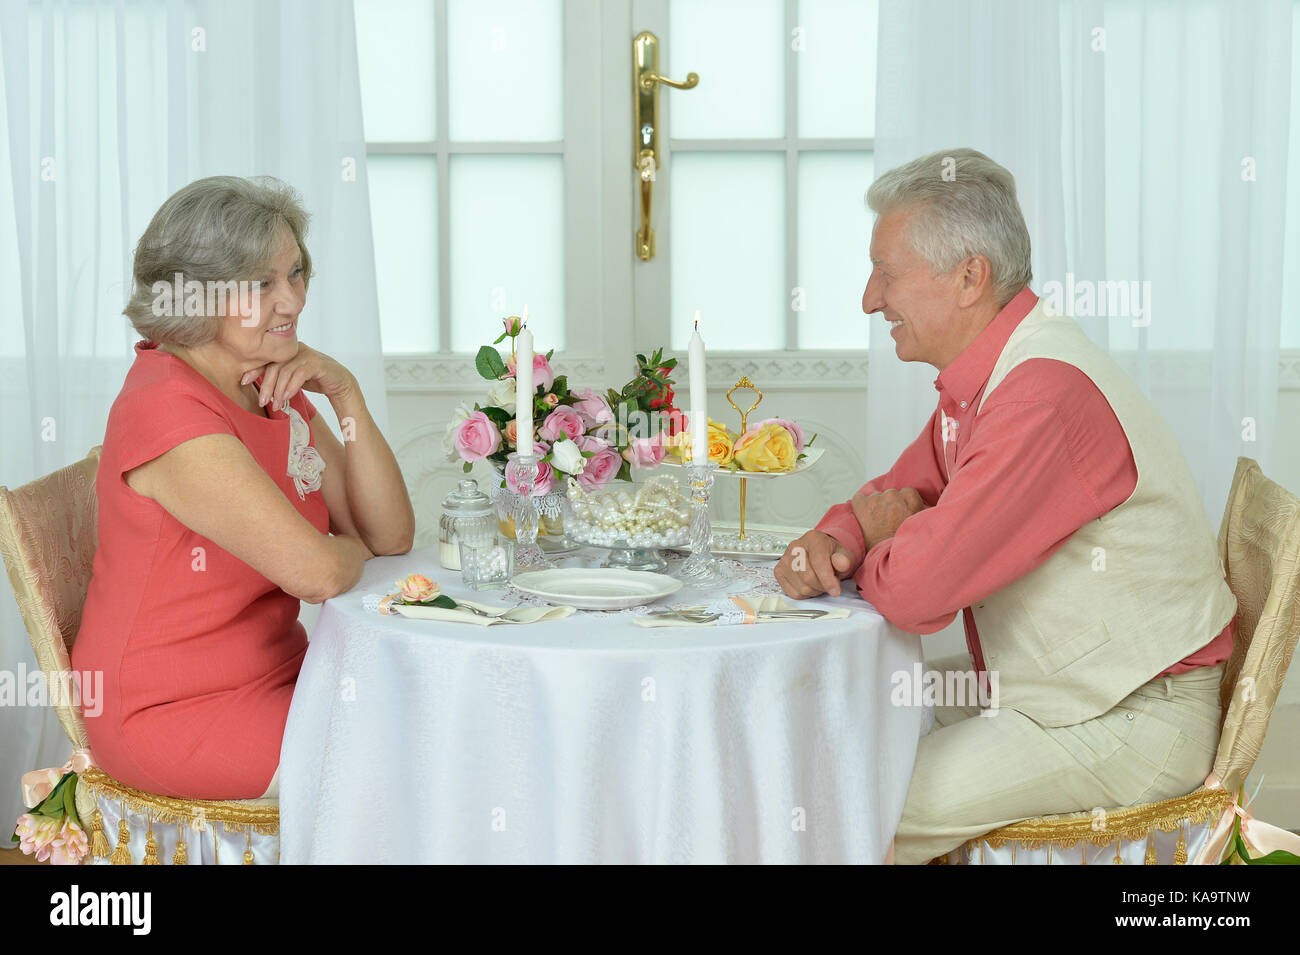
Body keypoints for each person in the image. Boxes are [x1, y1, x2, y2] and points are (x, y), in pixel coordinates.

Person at [774, 148, 1237, 865]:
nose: (870, 298)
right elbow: (900, 488)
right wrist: (845, 528)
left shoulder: (1039, 395)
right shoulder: (992, 373)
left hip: (1126, 716)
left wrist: (878, 535)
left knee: (855, 804)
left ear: (969, 276)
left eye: (886, 273)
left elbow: (919, 590)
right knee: (832, 711)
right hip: (1047, 686)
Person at [71, 175, 414, 800]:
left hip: (284, 671)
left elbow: (390, 535)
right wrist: (349, 552)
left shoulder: (265, 383)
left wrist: (344, 393)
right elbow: (317, 573)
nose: (292, 302)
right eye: (260, 285)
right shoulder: (166, 410)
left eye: (295, 273)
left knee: (435, 716)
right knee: (407, 761)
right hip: (174, 710)